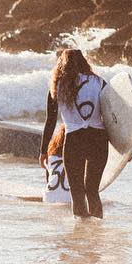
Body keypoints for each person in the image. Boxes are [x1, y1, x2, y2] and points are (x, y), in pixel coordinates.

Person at [41, 49, 108, 219]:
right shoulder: (99, 82)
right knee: (92, 190)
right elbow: (113, 117)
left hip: (74, 141)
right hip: (98, 140)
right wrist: (123, 147)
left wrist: (43, 151)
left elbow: (50, 121)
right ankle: (97, 233)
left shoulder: (57, 86)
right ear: (84, 62)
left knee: (77, 193)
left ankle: (81, 237)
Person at [43, 126, 72, 206]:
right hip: (69, 199)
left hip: (48, 198)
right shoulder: (78, 159)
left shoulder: (50, 158)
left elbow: (48, 180)